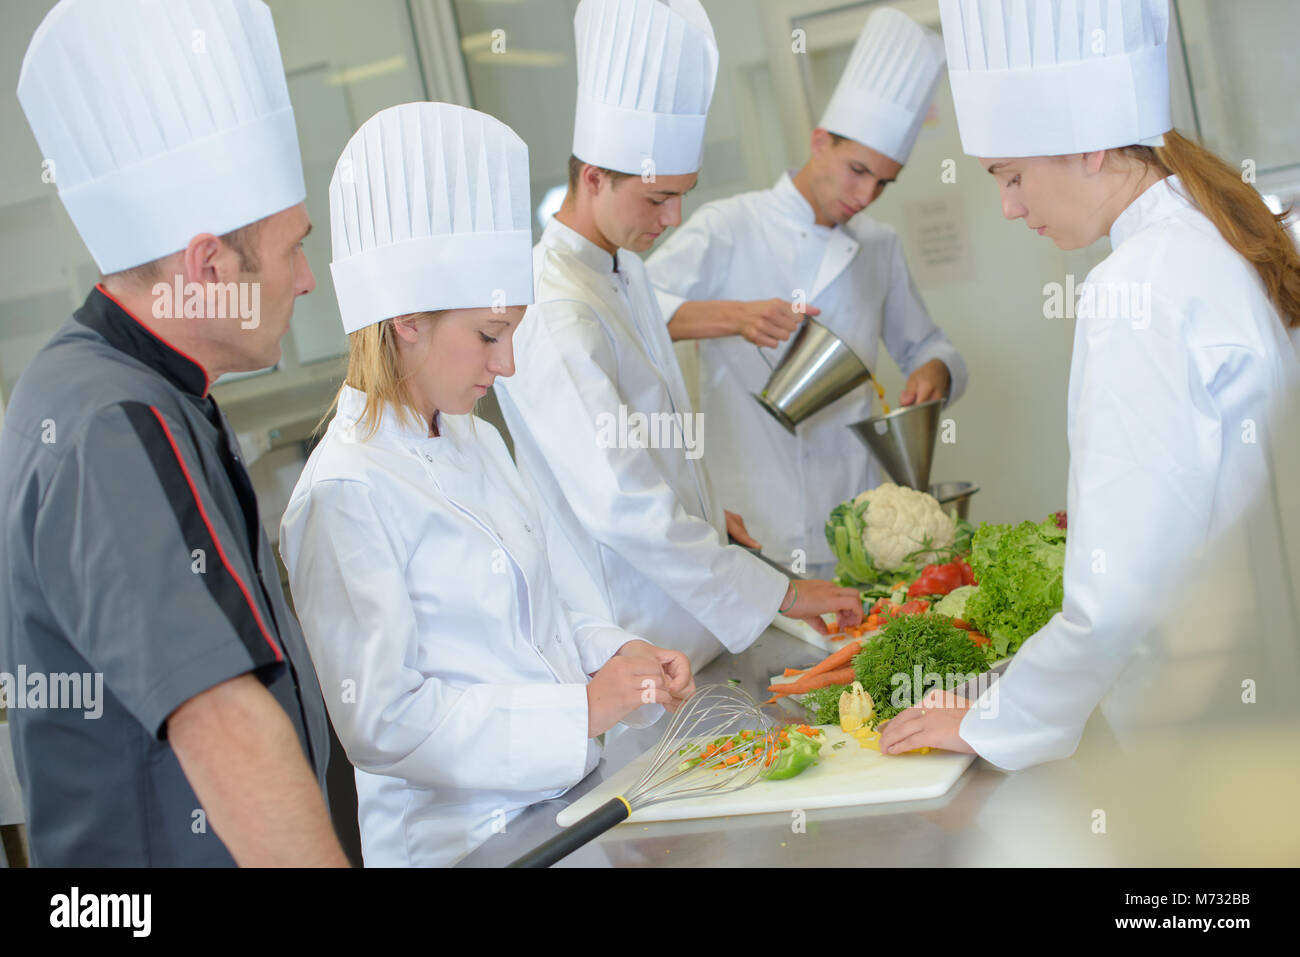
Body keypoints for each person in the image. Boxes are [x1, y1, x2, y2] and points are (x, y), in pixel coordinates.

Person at [878, 0, 1300, 767]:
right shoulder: (1206, 238)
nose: (1008, 208)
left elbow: (1121, 593)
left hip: (1204, 724)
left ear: (1088, 149)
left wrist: (996, 718)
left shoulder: (1132, 289)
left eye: (1009, 176)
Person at [278, 102, 693, 868]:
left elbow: (561, 605)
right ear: (405, 319)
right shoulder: (344, 489)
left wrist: (621, 652)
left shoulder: (475, 437)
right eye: (490, 336)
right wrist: (579, 710)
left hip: (571, 812)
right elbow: (384, 721)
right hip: (464, 849)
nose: (505, 366)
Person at [0, 0, 346, 865]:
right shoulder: (115, 423)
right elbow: (221, 720)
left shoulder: (138, 387)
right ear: (208, 266)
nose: (307, 279)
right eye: (294, 248)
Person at [495, 0, 864, 672]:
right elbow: (620, 501)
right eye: (658, 197)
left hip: (691, 622)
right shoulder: (553, 310)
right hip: (635, 640)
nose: (675, 216)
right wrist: (778, 588)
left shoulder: (623, 272)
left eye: (682, 194)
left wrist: (707, 515)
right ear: (593, 177)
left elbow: (650, 444)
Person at [646, 7, 967, 579]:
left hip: (859, 509)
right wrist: (735, 317)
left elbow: (929, 346)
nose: (866, 194)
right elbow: (636, 308)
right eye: (856, 169)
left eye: (883, 182)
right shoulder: (729, 225)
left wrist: (935, 375)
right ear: (820, 141)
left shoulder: (878, 244)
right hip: (756, 508)